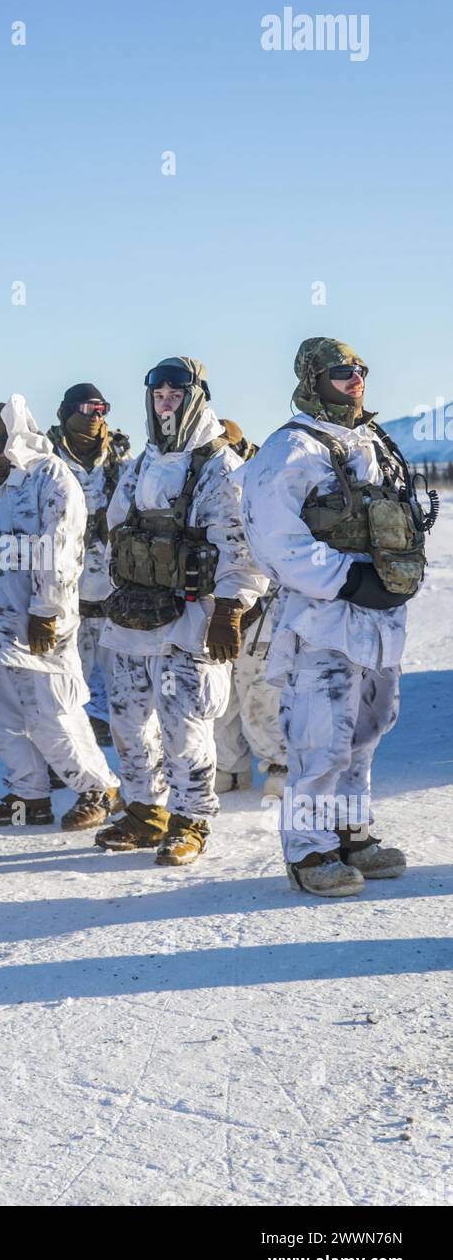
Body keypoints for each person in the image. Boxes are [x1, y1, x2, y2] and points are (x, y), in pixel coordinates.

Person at [240, 337, 425, 896]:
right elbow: (271, 536)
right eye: (342, 372)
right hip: (323, 618)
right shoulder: (291, 448)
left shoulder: (375, 440)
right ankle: (308, 849)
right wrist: (347, 579)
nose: (355, 380)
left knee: (367, 731)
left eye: (360, 370)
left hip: (380, 617)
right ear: (313, 379)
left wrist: (393, 578)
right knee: (320, 737)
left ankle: (351, 834)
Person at [96, 357, 265, 864]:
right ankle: (147, 811)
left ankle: (192, 819)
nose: (165, 397)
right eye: (157, 389)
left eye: (176, 390)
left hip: (191, 619)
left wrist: (229, 610)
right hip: (132, 618)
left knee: (184, 725)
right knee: (127, 720)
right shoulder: (143, 461)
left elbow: (240, 547)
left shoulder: (219, 467)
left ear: (196, 396)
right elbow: (117, 528)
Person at [0, 397, 119, 830]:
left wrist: (46, 610)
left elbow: (60, 549)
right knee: (6, 716)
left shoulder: (50, 475)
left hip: (36, 619)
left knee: (52, 710)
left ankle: (97, 788)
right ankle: (28, 796)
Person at [47, 384, 131, 744]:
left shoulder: (121, 462)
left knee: (129, 691)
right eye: (87, 408)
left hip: (115, 596)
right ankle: (69, 754)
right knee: (61, 689)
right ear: (67, 412)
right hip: (64, 600)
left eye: (102, 409)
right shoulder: (45, 461)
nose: (96, 417)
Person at [212, 419, 288, 797]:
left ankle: (280, 765)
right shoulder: (199, 479)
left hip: (262, 601)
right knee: (219, 692)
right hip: (212, 602)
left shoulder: (262, 477)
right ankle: (227, 766)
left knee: (259, 689)